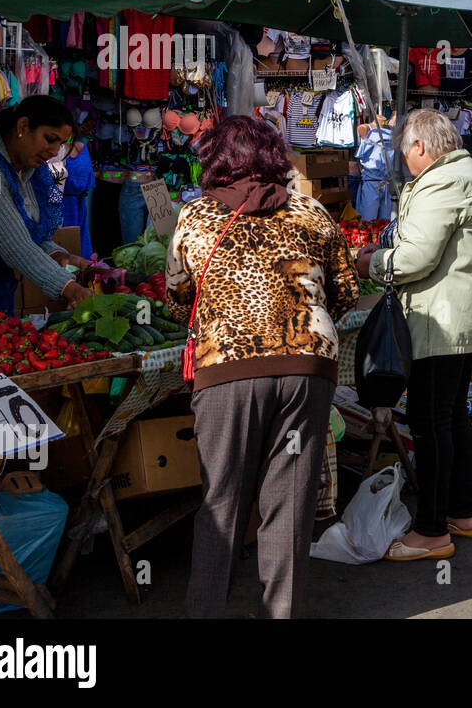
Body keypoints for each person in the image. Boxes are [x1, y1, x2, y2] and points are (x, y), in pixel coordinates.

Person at [168, 116, 358, 618]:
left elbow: (176, 296)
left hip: (225, 372)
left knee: (221, 503)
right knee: (289, 506)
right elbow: (344, 294)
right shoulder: (313, 213)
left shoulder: (196, 218)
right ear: (275, 156)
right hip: (306, 369)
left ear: (215, 161)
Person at [356, 110, 472, 558]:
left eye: (404, 150)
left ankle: (433, 530)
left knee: (430, 420)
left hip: (441, 318)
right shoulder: (464, 171)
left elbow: (416, 257)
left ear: (420, 146)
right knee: (452, 416)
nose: (404, 159)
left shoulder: (443, 181)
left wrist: (372, 263)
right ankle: (464, 512)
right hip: (460, 317)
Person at [0, 95, 93, 314]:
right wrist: (70, 289)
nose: (54, 152)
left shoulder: (28, 169)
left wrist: (58, 255)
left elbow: (28, 230)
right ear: (23, 126)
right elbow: (13, 241)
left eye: (61, 144)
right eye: (49, 138)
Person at [60, 125, 96, 259]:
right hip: (64, 203)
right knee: (67, 242)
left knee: (81, 238)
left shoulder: (81, 147)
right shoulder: (58, 152)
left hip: (80, 201)